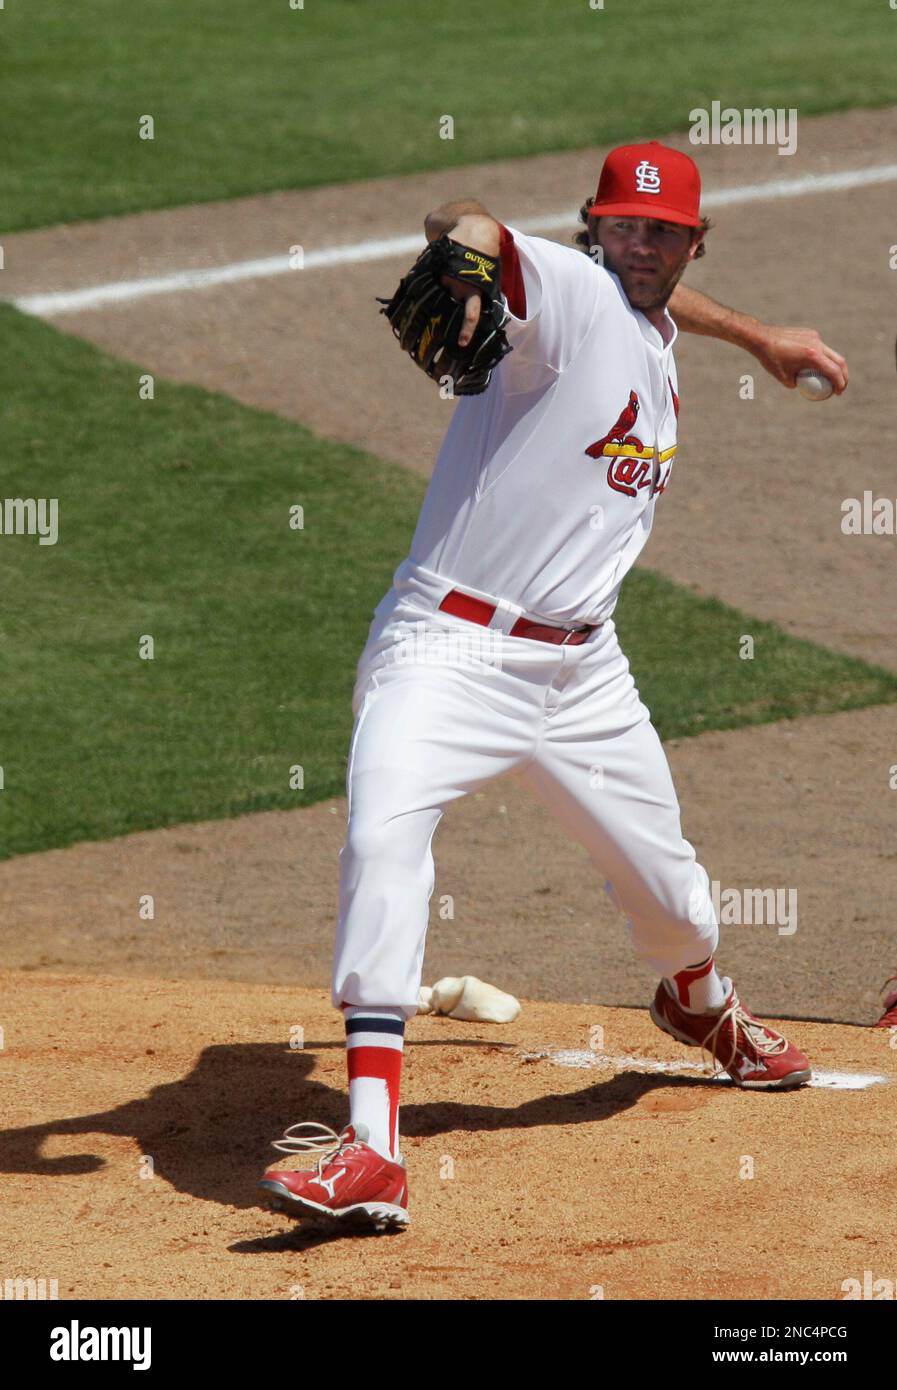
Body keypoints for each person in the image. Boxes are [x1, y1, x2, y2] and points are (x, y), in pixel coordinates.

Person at [257, 141, 848, 1233]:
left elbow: (661, 305)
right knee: (385, 839)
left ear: (691, 242)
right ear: (592, 225)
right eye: (622, 224)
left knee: (673, 897)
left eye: (662, 231)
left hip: (583, 672)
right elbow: (466, 218)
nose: (639, 243)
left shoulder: (650, 331)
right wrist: (470, 251)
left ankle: (700, 1005)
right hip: (446, 645)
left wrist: (757, 336)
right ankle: (372, 1147)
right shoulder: (567, 293)